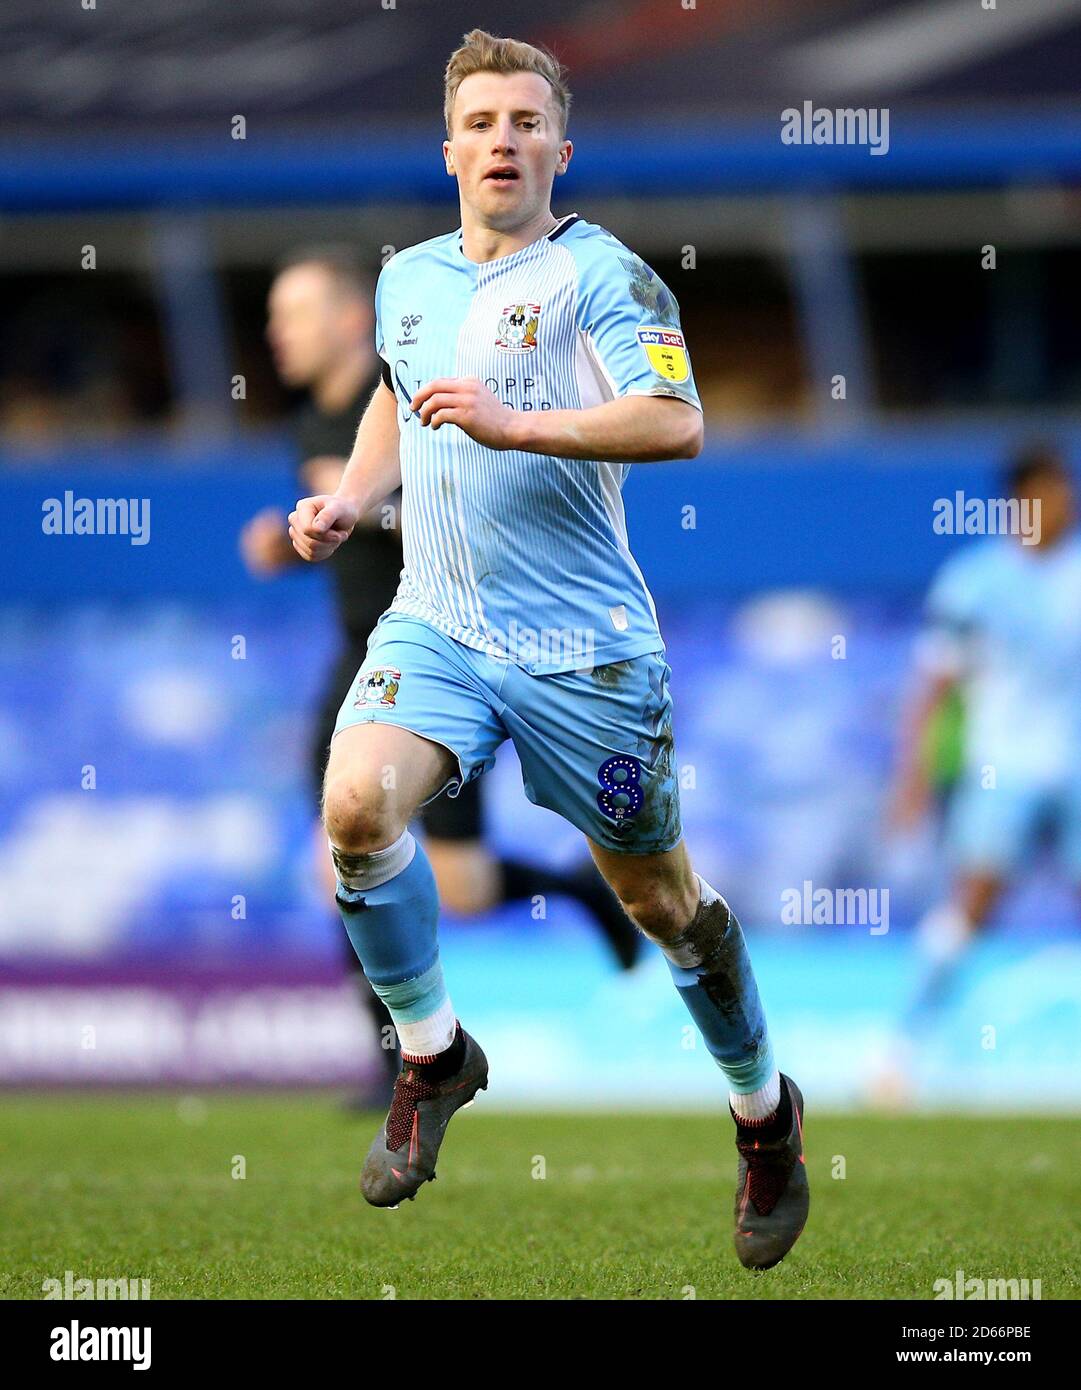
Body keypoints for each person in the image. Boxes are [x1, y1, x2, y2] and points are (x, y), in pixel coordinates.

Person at [288, 29, 807, 1271]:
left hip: (586, 652)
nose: (503, 142)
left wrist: (520, 423)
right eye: (482, 123)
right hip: (441, 625)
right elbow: (392, 398)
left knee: (665, 904)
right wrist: (356, 499)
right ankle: (431, 1053)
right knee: (354, 807)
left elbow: (676, 422)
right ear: (451, 147)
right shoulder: (407, 280)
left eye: (526, 122)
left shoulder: (607, 279)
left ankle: (762, 1114)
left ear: (559, 150)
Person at [241, 247, 642, 1101]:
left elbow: (453, 505)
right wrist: (296, 538)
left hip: (442, 655)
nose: (276, 334)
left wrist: (369, 505)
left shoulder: (413, 396)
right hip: (357, 655)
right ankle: (402, 1061)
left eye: (293, 315)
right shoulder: (309, 422)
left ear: (353, 321)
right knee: (339, 857)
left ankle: (573, 891)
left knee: (456, 888)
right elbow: (347, 526)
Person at [889, 444, 1081, 1057]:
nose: (1064, 505)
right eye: (1051, 493)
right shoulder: (976, 582)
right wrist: (913, 779)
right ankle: (904, 1045)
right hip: (1004, 769)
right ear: (1021, 500)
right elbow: (934, 687)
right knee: (972, 905)